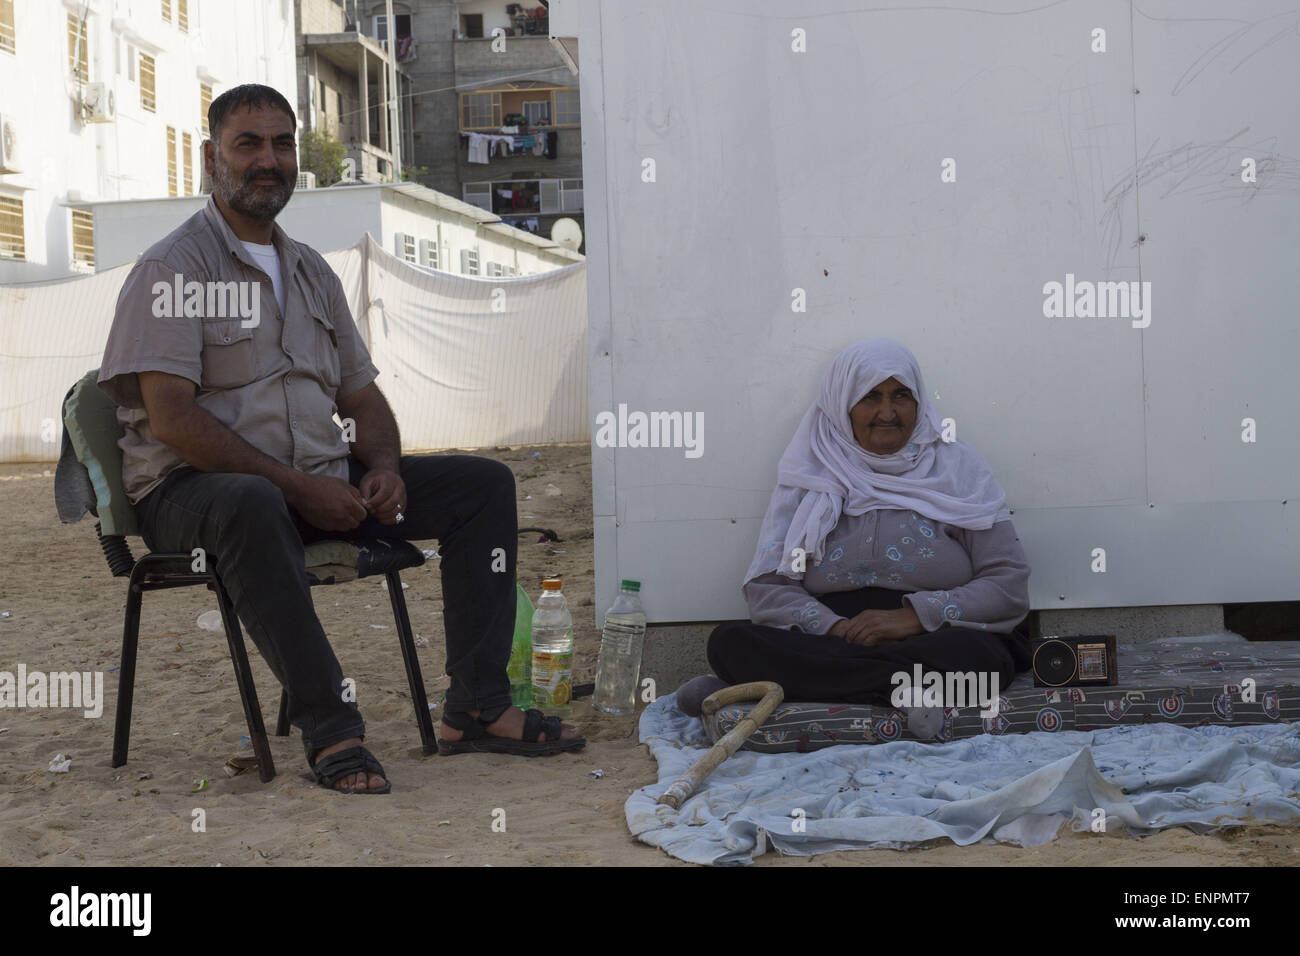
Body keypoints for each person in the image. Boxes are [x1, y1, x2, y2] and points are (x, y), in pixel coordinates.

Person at [96, 84, 583, 794]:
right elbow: (172, 420)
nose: (269, 160)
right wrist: (299, 488)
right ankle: (333, 730)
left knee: (483, 485)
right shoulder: (173, 270)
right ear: (210, 159)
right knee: (252, 501)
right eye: (248, 144)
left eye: (283, 144)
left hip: (313, 481)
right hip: (192, 495)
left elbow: (361, 396)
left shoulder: (311, 272)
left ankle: (478, 707)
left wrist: (381, 468)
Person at [691, 338, 1032, 730]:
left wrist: (915, 618)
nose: (887, 413)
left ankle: (766, 686)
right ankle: (903, 691)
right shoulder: (809, 473)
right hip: (830, 637)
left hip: (932, 637)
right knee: (730, 641)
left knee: (979, 656)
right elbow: (767, 588)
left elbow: (1007, 585)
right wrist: (833, 627)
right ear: (842, 405)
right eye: (870, 397)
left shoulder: (958, 470)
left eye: (900, 396)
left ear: (918, 402)